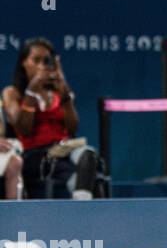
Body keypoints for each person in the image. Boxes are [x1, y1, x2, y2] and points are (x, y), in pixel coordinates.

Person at [2, 38, 100, 199]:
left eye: (46, 61)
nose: (42, 66)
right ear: (24, 63)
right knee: (74, 175)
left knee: (89, 156)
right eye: (36, 60)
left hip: (64, 149)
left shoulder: (58, 92)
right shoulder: (12, 93)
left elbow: (72, 128)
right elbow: (23, 129)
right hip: (34, 155)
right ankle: (84, 209)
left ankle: (83, 204)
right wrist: (32, 92)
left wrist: (65, 92)